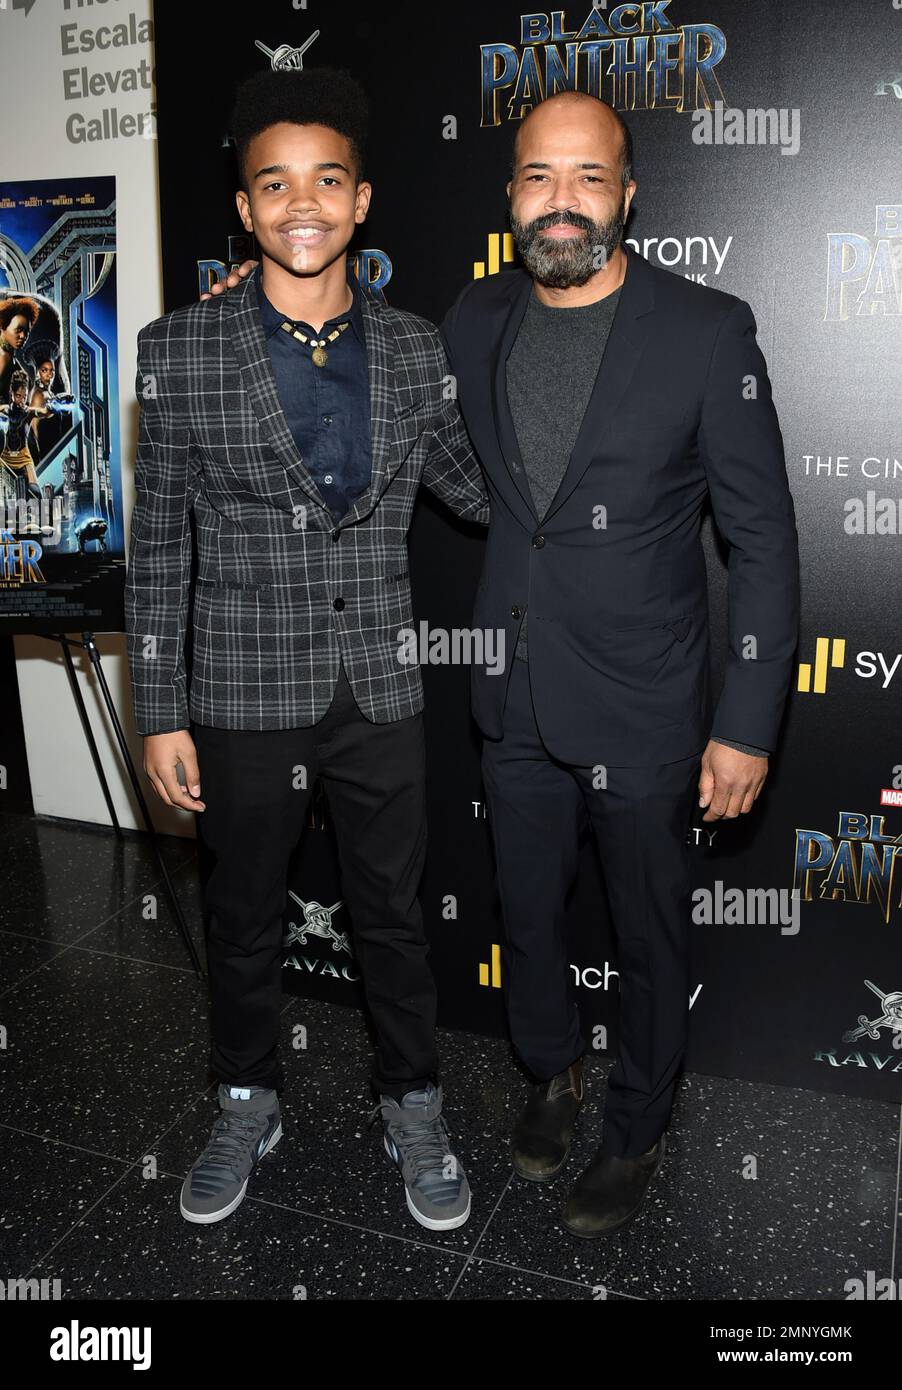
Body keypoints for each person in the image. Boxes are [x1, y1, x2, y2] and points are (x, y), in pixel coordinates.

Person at [212, 90, 801, 1241]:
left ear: (627, 195)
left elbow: (764, 541)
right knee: (526, 912)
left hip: (642, 703)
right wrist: (251, 304)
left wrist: (745, 724)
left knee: (644, 930)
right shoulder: (470, 322)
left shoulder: (706, 330)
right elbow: (347, 354)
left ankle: (634, 1122)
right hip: (508, 693)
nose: (562, 201)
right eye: (539, 177)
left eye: (588, 178)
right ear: (510, 197)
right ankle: (548, 1071)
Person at [124, 67, 489, 1232]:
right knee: (243, 917)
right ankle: (244, 1099)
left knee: (391, 911)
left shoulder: (415, 345)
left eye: (324, 181)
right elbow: (154, 546)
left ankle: (412, 1101)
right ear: (242, 207)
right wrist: (158, 706)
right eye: (272, 184)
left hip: (377, 686)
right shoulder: (174, 350)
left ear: (362, 199)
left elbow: (477, 496)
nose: (300, 205)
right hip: (238, 689)